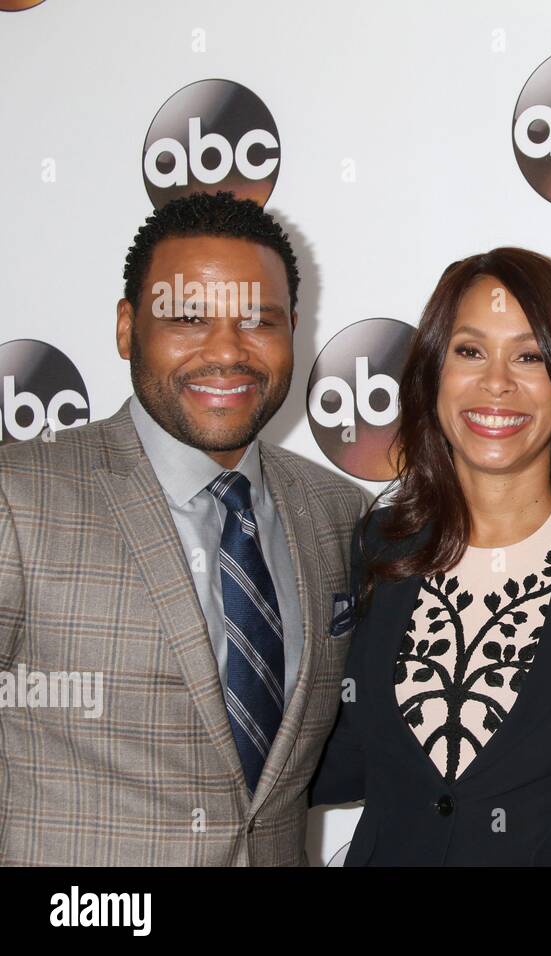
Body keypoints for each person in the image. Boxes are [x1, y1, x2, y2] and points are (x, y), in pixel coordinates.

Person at [0, 191, 370, 865]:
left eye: (258, 320)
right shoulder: (19, 500)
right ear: (126, 328)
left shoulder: (335, 512)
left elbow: (370, 733)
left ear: (294, 329)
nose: (226, 352)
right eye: (188, 317)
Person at [309, 247, 551, 865]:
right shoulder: (376, 546)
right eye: (469, 351)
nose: (496, 382)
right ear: (433, 370)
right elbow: (346, 757)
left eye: (530, 356)